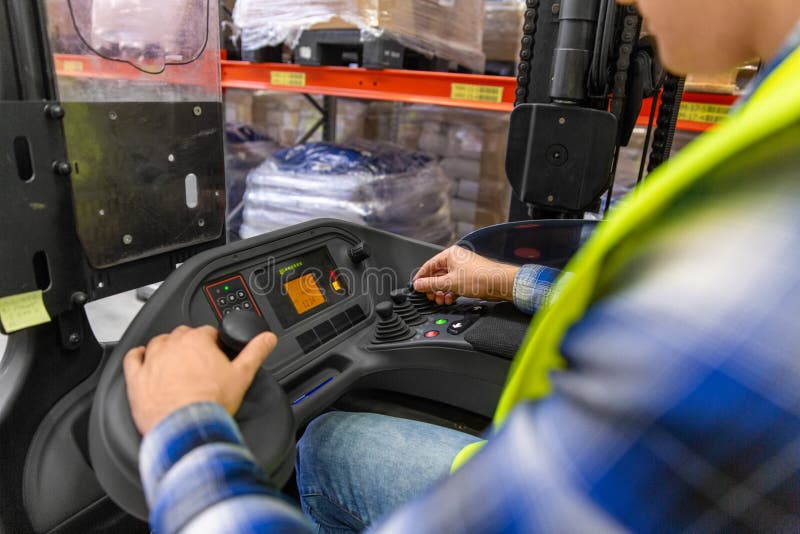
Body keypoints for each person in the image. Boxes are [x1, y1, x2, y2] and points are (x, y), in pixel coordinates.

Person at [123, 1, 800, 532]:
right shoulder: (774, 134)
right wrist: (508, 281)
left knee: (324, 447)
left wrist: (189, 429)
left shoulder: (756, 239)